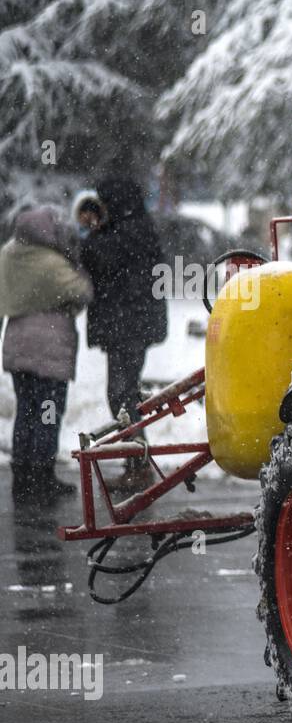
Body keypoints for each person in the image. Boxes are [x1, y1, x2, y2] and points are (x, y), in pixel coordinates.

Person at [0, 206, 94, 504]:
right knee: (48, 412)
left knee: (26, 411)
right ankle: (42, 476)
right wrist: (78, 266)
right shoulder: (51, 262)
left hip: (17, 343)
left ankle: (22, 476)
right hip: (49, 349)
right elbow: (82, 291)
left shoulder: (8, 254)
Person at [79, 176, 167, 490]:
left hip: (128, 326)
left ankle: (139, 464)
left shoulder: (127, 231)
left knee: (122, 395)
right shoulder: (135, 226)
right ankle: (136, 461)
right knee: (124, 394)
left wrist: (91, 231)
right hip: (131, 325)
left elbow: (96, 255)